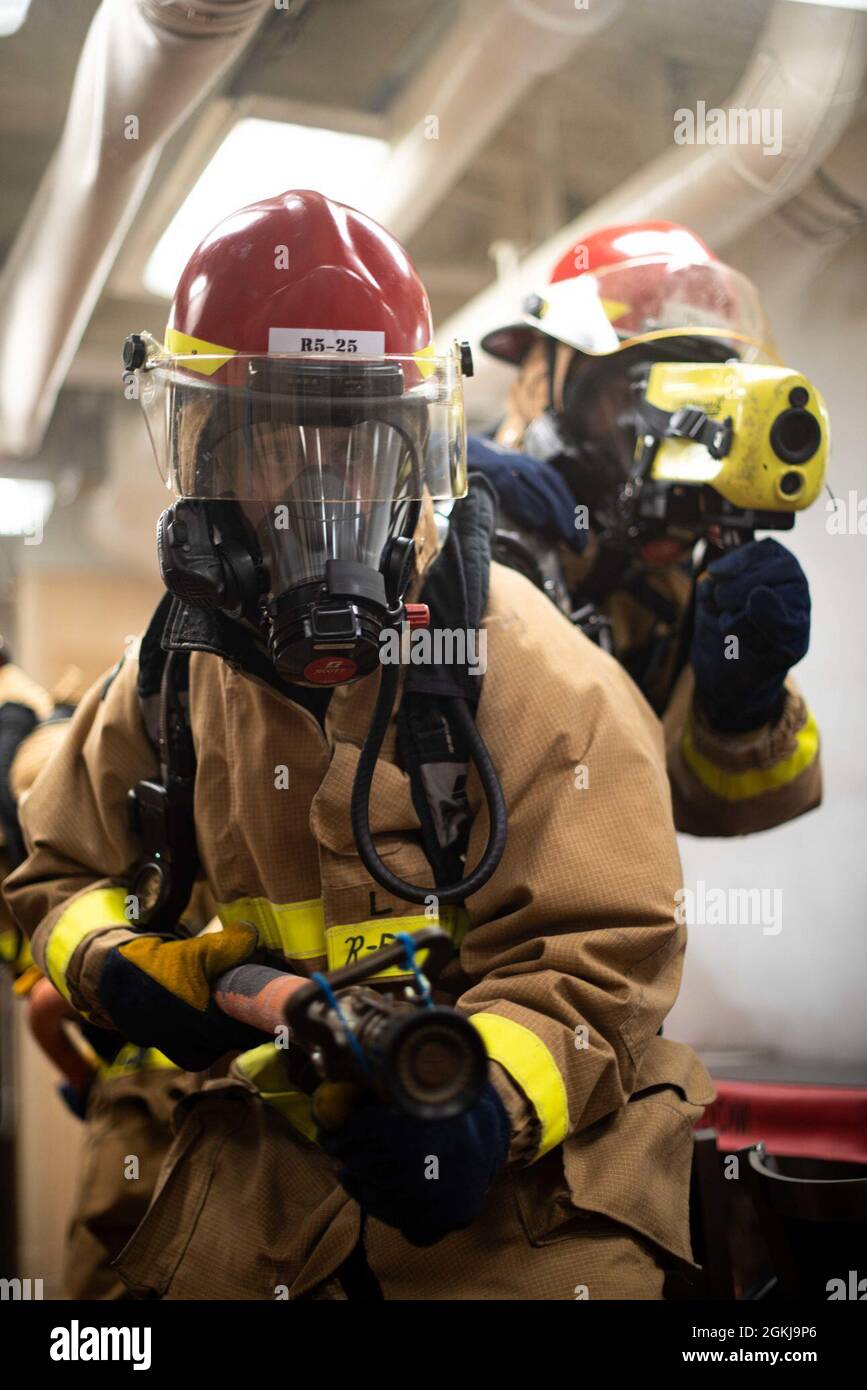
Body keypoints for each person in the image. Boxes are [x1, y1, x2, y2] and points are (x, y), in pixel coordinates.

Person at [5, 190, 713, 1301]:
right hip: (264, 1197)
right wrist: (121, 970)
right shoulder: (169, 676)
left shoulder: (534, 670)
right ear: (203, 452)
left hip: (519, 1212)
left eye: (355, 437)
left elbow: (608, 949)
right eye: (275, 439)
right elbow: (51, 875)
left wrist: (491, 1104)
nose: (320, 487)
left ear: (410, 447)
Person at [471, 221, 821, 836]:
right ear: (541, 377)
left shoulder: (676, 588)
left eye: (692, 399)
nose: (662, 432)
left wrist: (742, 711)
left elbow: (736, 805)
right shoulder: (447, 526)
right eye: (629, 393)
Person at [0, 663, 204, 1299]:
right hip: (205, 1089)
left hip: (147, 1095)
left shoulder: (53, 827)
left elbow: (41, 1006)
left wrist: (88, 1082)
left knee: (109, 1285)